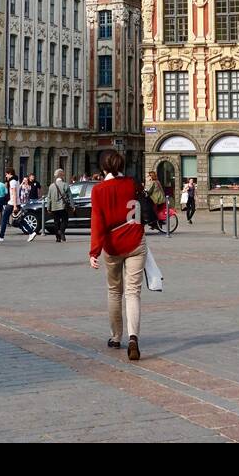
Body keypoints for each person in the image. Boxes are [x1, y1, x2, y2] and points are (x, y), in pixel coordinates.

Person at [89, 150, 146, 361]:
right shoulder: (132, 184)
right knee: (133, 292)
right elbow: (138, 212)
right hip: (135, 241)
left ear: (103, 168)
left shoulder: (99, 190)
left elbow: (97, 222)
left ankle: (115, 336)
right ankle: (133, 338)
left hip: (112, 246)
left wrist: (94, 251)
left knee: (114, 291)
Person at [0, 167, 36, 242]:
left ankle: (1, 236)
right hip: (15, 202)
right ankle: (31, 232)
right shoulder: (16, 180)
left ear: (10, 174)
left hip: (12, 203)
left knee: (5, 218)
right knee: (19, 220)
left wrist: (15, 206)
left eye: (6, 174)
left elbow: (14, 193)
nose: (6, 176)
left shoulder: (12, 182)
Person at [47, 169, 72, 241]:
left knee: (56, 222)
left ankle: (57, 238)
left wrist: (48, 208)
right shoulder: (65, 185)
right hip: (63, 206)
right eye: (63, 174)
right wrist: (72, 206)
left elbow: (49, 198)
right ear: (61, 176)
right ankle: (61, 231)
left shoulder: (51, 186)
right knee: (65, 220)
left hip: (54, 207)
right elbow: (70, 196)